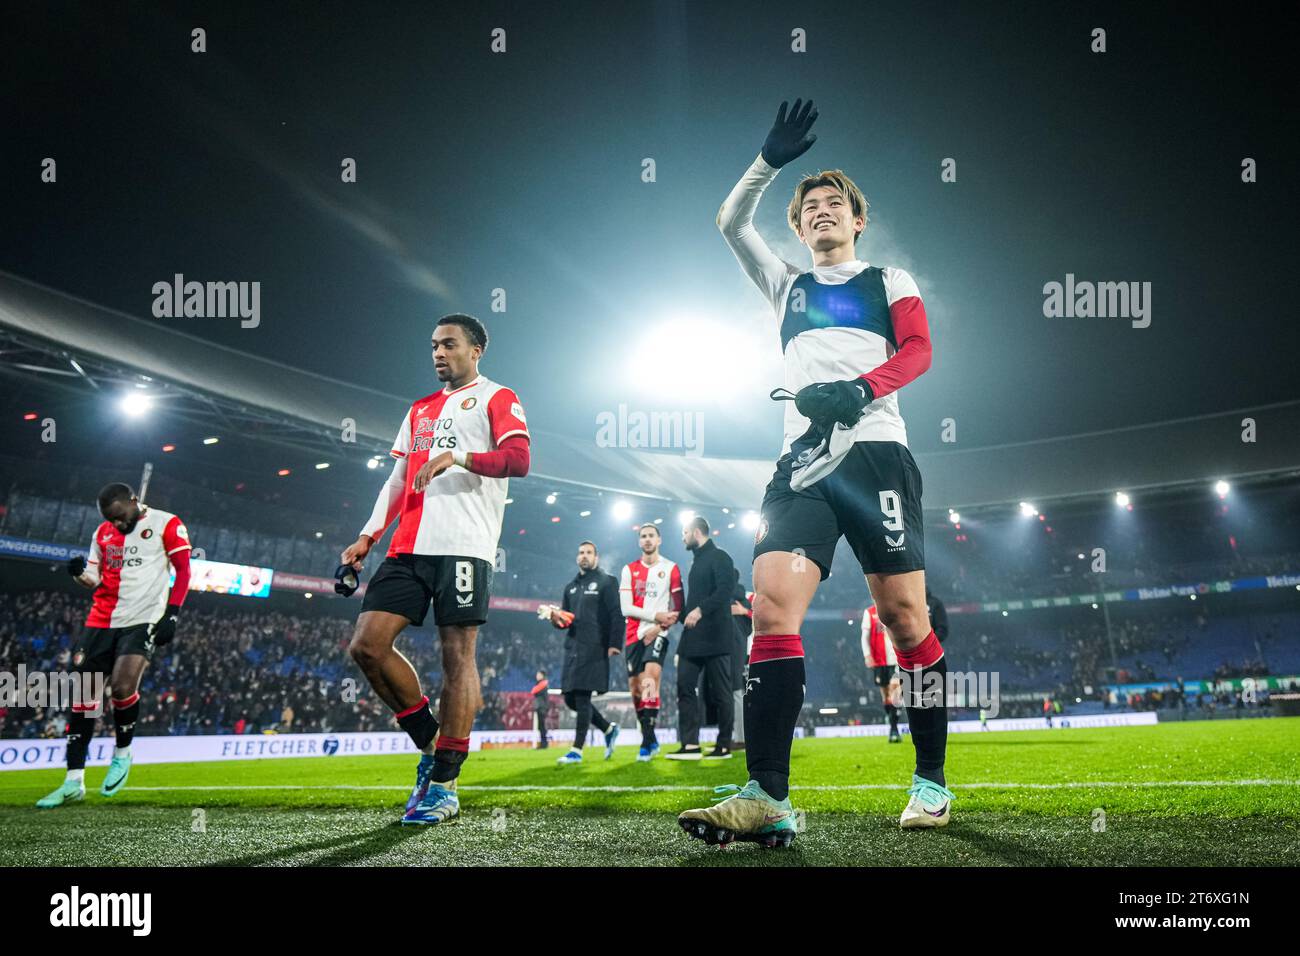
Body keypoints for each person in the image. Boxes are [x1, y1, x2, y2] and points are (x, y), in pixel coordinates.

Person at [679, 99, 948, 849]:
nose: (822, 212)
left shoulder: (889, 279)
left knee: (905, 621)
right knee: (770, 611)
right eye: (811, 208)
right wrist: (769, 163)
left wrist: (862, 389)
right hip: (801, 463)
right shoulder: (786, 285)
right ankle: (769, 794)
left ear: (857, 222)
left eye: (836, 205)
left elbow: (920, 352)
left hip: (877, 454)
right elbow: (731, 222)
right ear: (798, 230)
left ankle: (930, 778)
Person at [340, 313, 530, 825]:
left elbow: (519, 459)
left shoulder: (497, 396)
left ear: (476, 350)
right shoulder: (419, 409)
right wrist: (368, 535)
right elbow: (399, 477)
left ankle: (444, 784)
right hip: (407, 547)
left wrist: (459, 457)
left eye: (448, 344)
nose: (438, 353)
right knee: (367, 646)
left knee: (456, 657)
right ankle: (431, 742)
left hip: (465, 546)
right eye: (433, 346)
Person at [37, 482, 192, 808]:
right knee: (84, 699)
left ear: (134, 501)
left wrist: (173, 614)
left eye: (121, 517)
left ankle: (122, 753)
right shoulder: (102, 534)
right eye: (112, 520)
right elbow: (94, 578)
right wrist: (79, 574)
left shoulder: (166, 523)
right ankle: (73, 781)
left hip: (142, 618)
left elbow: (184, 570)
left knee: (121, 688)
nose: (118, 525)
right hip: (101, 620)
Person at [547, 541, 623, 764]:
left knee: (581, 696)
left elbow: (617, 614)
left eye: (589, 553)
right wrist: (555, 619)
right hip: (572, 649)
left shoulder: (607, 582)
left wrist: (614, 643)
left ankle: (577, 750)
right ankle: (608, 729)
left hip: (595, 647)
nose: (584, 556)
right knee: (570, 698)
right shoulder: (570, 587)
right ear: (576, 557)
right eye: (581, 552)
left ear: (596, 558)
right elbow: (565, 621)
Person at [668, 517, 736, 761]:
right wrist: (677, 615)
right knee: (684, 686)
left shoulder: (720, 557)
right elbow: (692, 604)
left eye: (685, 532)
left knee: (721, 692)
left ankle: (724, 745)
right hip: (693, 638)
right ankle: (690, 745)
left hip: (716, 637)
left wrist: (700, 610)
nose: (683, 537)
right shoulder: (696, 562)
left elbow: (725, 590)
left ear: (696, 532)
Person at [619, 523, 683, 760]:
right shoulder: (629, 570)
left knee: (650, 680)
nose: (647, 540)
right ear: (639, 542)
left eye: (651, 536)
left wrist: (658, 627)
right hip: (633, 635)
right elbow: (626, 608)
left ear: (659, 540)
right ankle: (651, 738)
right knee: (635, 690)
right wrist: (656, 615)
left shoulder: (671, 569)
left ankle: (645, 744)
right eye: (643, 536)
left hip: (659, 633)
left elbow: (678, 607)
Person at [862, 602, 902, 742]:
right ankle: (891, 718)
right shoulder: (870, 612)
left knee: (895, 693)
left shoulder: (895, 609)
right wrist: (867, 655)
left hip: (896, 659)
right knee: (886, 696)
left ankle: (894, 730)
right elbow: (865, 636)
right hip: (879, 661)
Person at [729, 573, 753, 750]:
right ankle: (739, 736)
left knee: (743, 694)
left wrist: (745, 612)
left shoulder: (747, 598)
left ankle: (743, 737)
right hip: (743, 653)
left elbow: (770, 616)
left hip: (754, 653)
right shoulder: (745, 596)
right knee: (738, 694)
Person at [531, 669, 550, 749]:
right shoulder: (542, 684)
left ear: (542, 675)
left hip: (541, 707)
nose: (537, 676)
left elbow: (533, 691)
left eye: (538, 675)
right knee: (541, 726)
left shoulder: (542, 684)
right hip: (541, 707)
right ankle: (543, 743)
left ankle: (544, 744)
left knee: (542, 726)